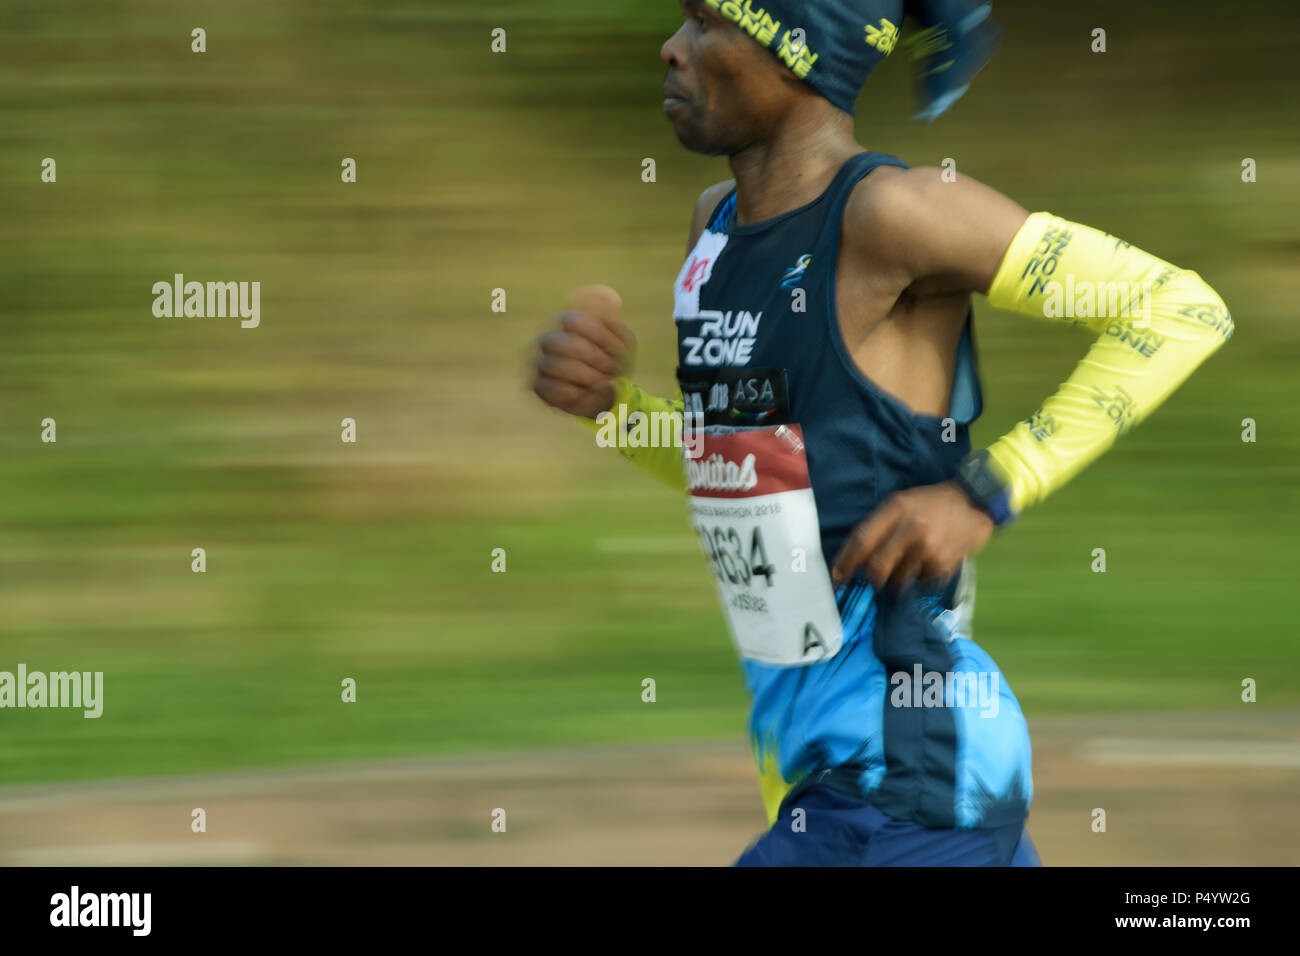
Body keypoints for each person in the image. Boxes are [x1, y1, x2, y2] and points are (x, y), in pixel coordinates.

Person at [530, 0, 1232, 865]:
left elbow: (1178, 309)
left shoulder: (896, 214)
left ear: (798, 49)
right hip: (834, 778)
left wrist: (993, 485)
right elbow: (762, 471)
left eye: (709, 23)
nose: (672, 50)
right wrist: (614, 410)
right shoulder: (714, 231)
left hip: (900, 782)